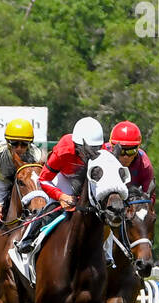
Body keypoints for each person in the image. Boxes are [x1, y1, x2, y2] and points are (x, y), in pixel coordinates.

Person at [8, 117, 105, 280]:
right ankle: (27, 240)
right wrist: (60, 196)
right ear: (76, 145)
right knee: (50, 207)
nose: (91, 155)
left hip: (86, 181)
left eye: (96, 149)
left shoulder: (102, 153)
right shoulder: (63, 150)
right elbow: (43, 179)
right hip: (64, 178)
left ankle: (107, 253)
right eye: (87, 150)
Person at [0, 118, 44, 221]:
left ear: (30, 144)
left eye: (24, 144)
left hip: (26, 182)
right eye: (15, 143)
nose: (19, 148)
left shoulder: (36, 155)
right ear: (8, 142)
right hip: (2, 181)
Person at [103, 121, 155, 195]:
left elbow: (149, 197)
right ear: (112, 147)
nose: (126, 157)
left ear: (138, 148)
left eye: (131, 151)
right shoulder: (102, 154)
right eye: (121, 151)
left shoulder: (145, 166)